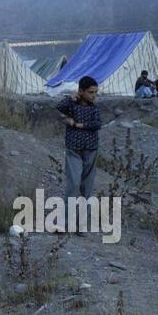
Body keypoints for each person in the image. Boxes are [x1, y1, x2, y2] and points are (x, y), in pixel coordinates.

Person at [55, 75, 102, 231]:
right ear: (81, 91)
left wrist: (78, 124)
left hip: (90, 149)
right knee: (73, 184)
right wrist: (71, 99)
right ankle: (66, 224)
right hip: (74, 149)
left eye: (95, 92)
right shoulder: (72, 105)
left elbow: (97, 124)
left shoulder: (93, 108)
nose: (93, 95)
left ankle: (81, 225)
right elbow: (59, 108)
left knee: (86, 187)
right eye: (90, 92)